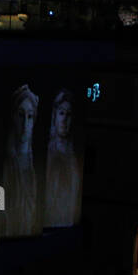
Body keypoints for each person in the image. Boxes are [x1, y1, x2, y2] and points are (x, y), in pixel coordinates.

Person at [1, 85, 40, 237]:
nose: (25, 124)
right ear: (13, 117)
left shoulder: (33, 163)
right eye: (21, 115)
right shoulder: (5, 162)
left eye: (30, 117)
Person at [43, 89, 81, 227]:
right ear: (55, 116)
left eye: (68, 114)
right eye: (61, 113)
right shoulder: (48, 152)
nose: (64, 119)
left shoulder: (74, 158)